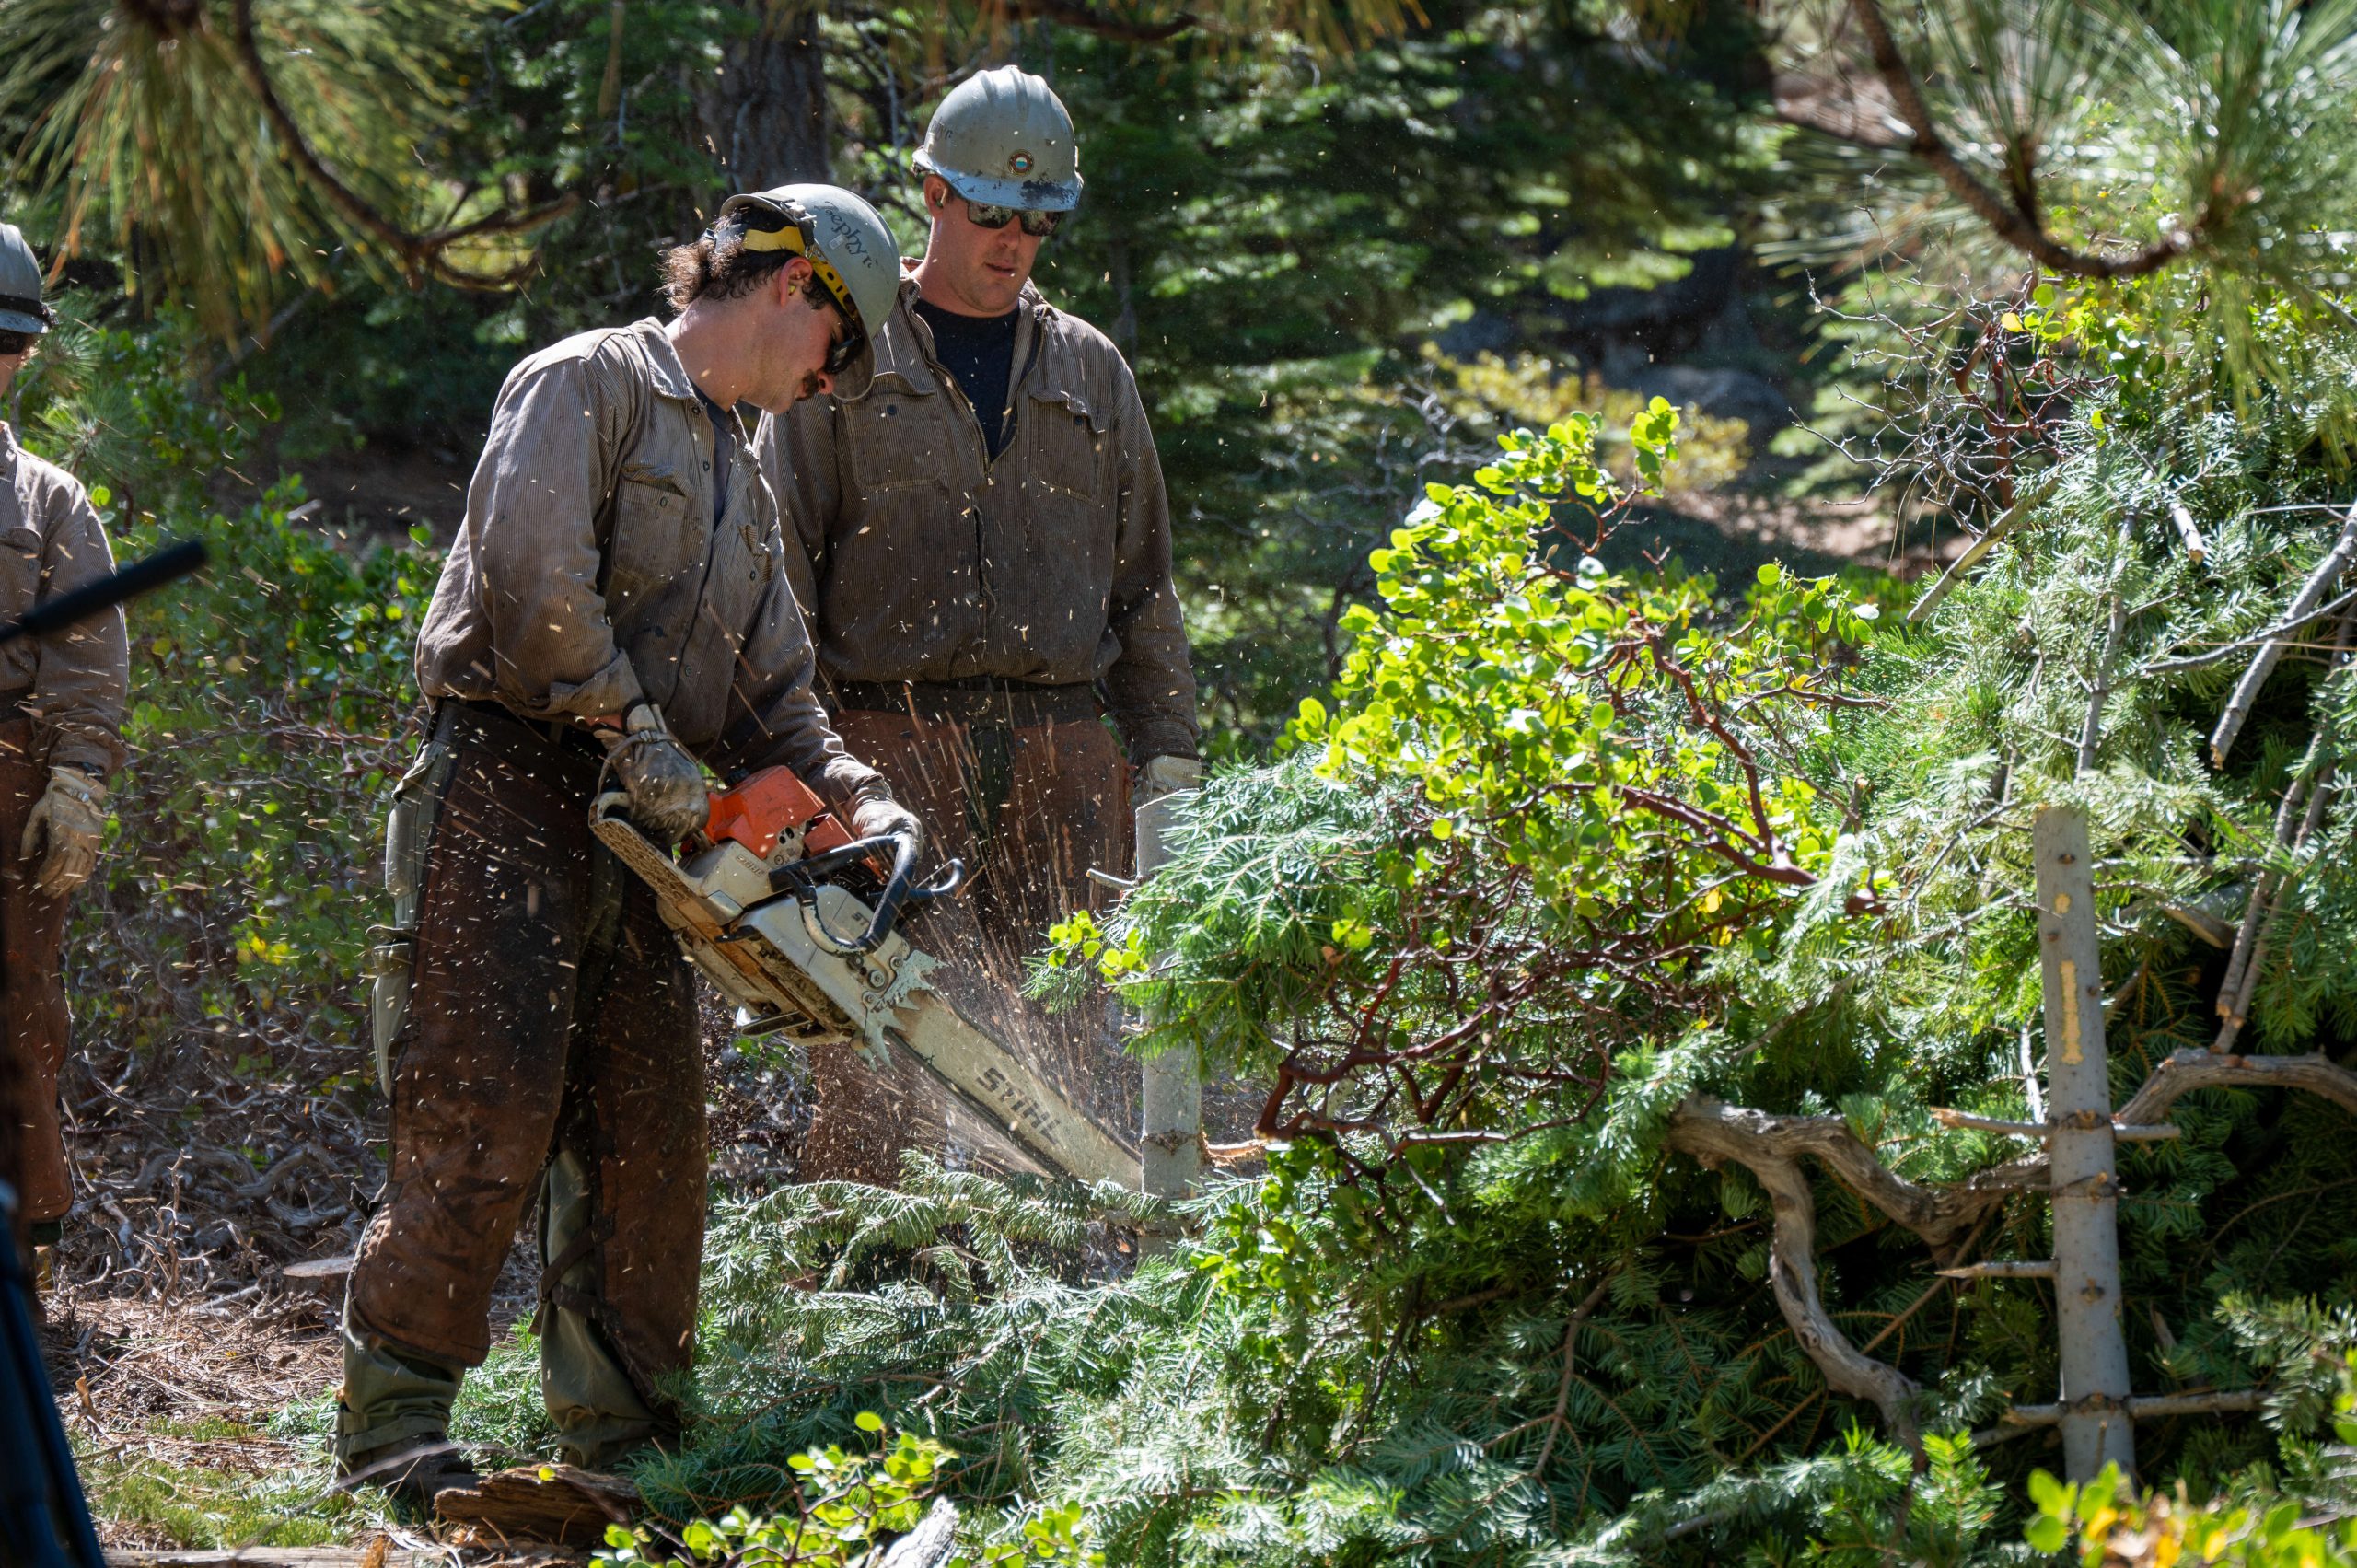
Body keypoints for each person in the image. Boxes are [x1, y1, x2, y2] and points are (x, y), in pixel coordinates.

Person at [333, 185, 923, 1506]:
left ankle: (624, 1442)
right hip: (510, 783)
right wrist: (643, 737)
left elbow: (780, 692)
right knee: (480, 1106)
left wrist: (861, 804)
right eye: (837, 346)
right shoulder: (586, 381)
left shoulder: (743, 466)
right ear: (793, 288)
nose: (830, 382)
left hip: (646, 841)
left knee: (652, 1138)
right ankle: (394, 1425)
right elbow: (534, 584)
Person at [753, 67, 1201, 1185]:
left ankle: (1035, 1301)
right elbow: (776, 577)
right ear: (931, 196)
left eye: (1039, 220)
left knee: (1056, 1053)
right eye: (991, 213)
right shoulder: (843, 358)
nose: (1013, 240)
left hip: (1060, 756)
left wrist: (1170, 765)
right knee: (875, 1048)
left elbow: (1143, 588)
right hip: (882, 751)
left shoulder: (1091, 372)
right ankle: (848, 1304)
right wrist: (795, 765)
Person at [0, 223, 129, 1292]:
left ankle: (21, 1255)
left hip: (7, 793)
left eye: (9, 339)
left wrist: (78, 780)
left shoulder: (47, 500)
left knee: (17, 1018)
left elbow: (89, 656)